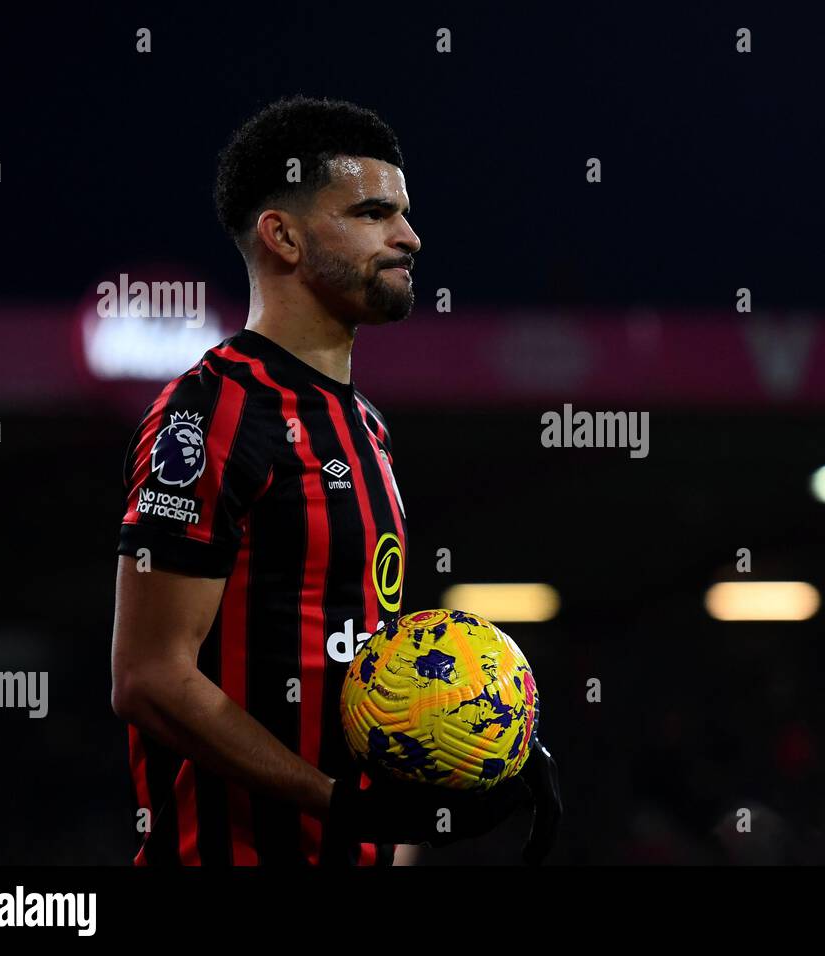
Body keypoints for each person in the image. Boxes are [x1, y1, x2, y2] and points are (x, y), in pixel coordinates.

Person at [110, 96, 561, 866]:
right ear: (281, 235)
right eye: (373, 213)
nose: (410, 237)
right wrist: (338, 805)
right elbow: (149, 679)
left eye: (406, 214)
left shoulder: (368, 428)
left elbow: (360, 668)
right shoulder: (213, 408)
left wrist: (456, 760)